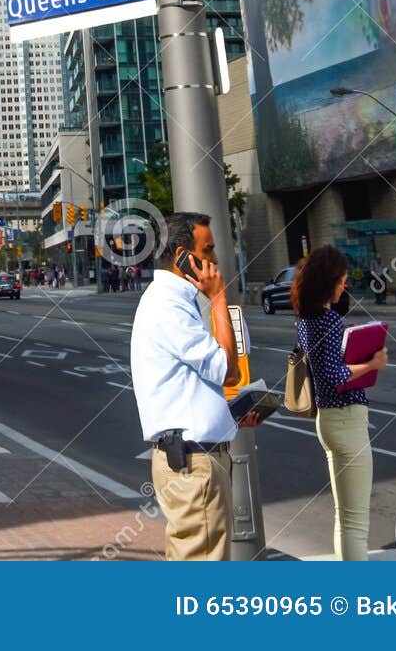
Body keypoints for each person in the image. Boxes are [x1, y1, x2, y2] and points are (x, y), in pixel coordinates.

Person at [130, 211, 259, 561]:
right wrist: (218, 298)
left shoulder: (175, 302)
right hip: (193, 464)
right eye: (209, 250)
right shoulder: (168, 304)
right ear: (182, 256)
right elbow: (227, 371)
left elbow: (191, 384)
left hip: (195, 458)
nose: (215, 260)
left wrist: (231, 415)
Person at [292, 245, 389, 562]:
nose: (344, 285)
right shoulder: (330, 320)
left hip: (327, 420)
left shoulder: (305, 320)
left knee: (344, 516)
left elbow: (323, 369)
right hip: (347, 419)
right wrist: (371, 365)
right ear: (328, 281)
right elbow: (335, 375)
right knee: (356, 522)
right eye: (341, 280)